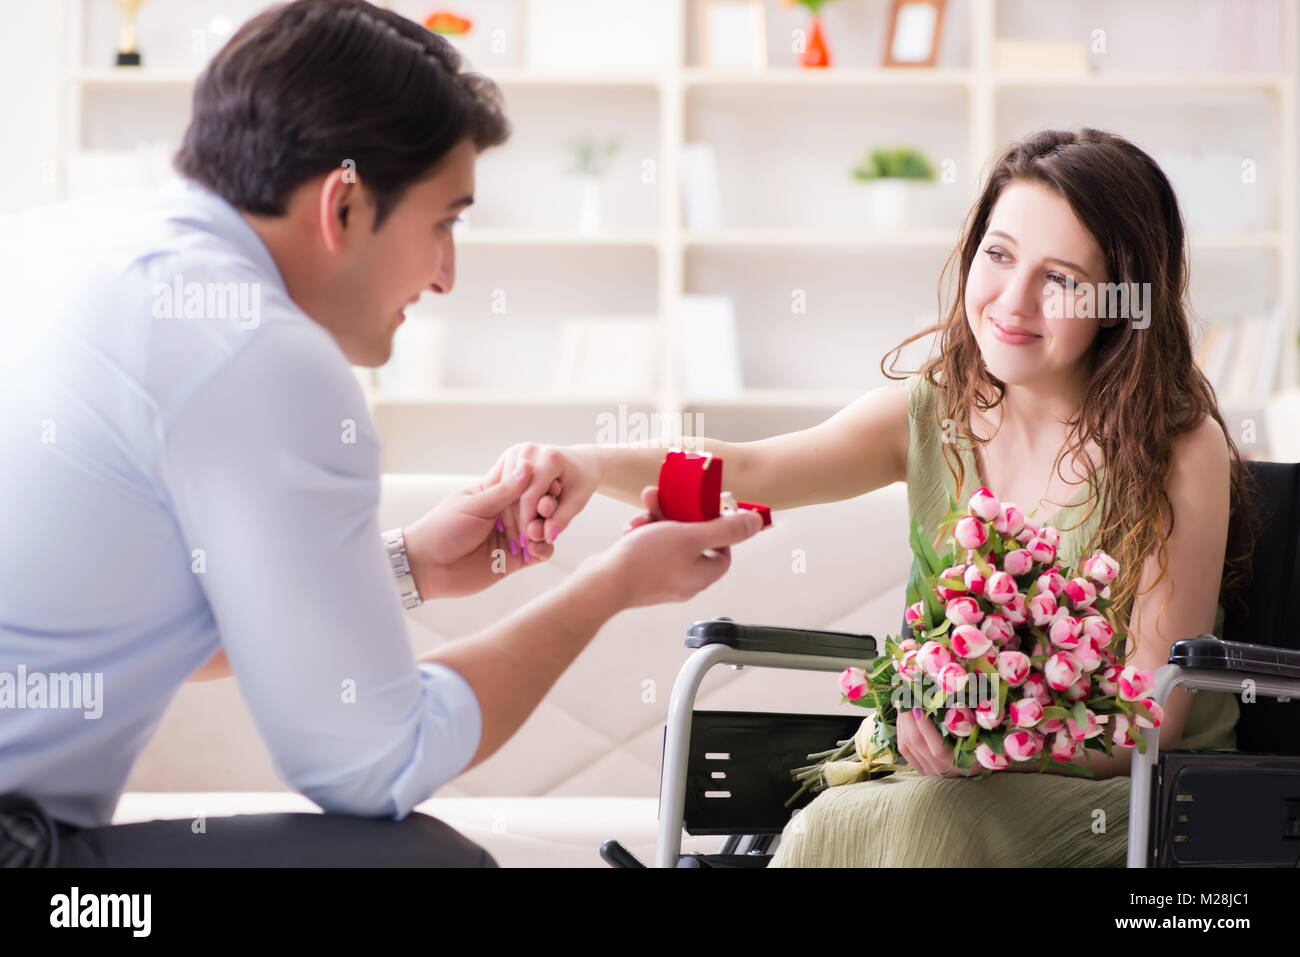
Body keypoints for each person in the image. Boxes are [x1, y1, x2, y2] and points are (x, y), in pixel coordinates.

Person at [0, 0, 766, 868]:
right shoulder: (257, 350)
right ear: (347, 203)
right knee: (422, 865)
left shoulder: (53, 246)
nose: (447, 275)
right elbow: (373, 764)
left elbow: (128, 640)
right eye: (445, 222)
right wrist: (607, 585)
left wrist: (409, 563)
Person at [499, 128, 1260, 866]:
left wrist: (990, 738)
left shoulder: (1179, 447)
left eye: (1059, 278)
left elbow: (1148, 715)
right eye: (998, 255)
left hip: (1140, 800)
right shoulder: (933, 409)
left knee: (921, 829)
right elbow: (751, 468)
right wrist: (591, 463)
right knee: (836, 820)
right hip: (945, 785)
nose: (1012, 301)